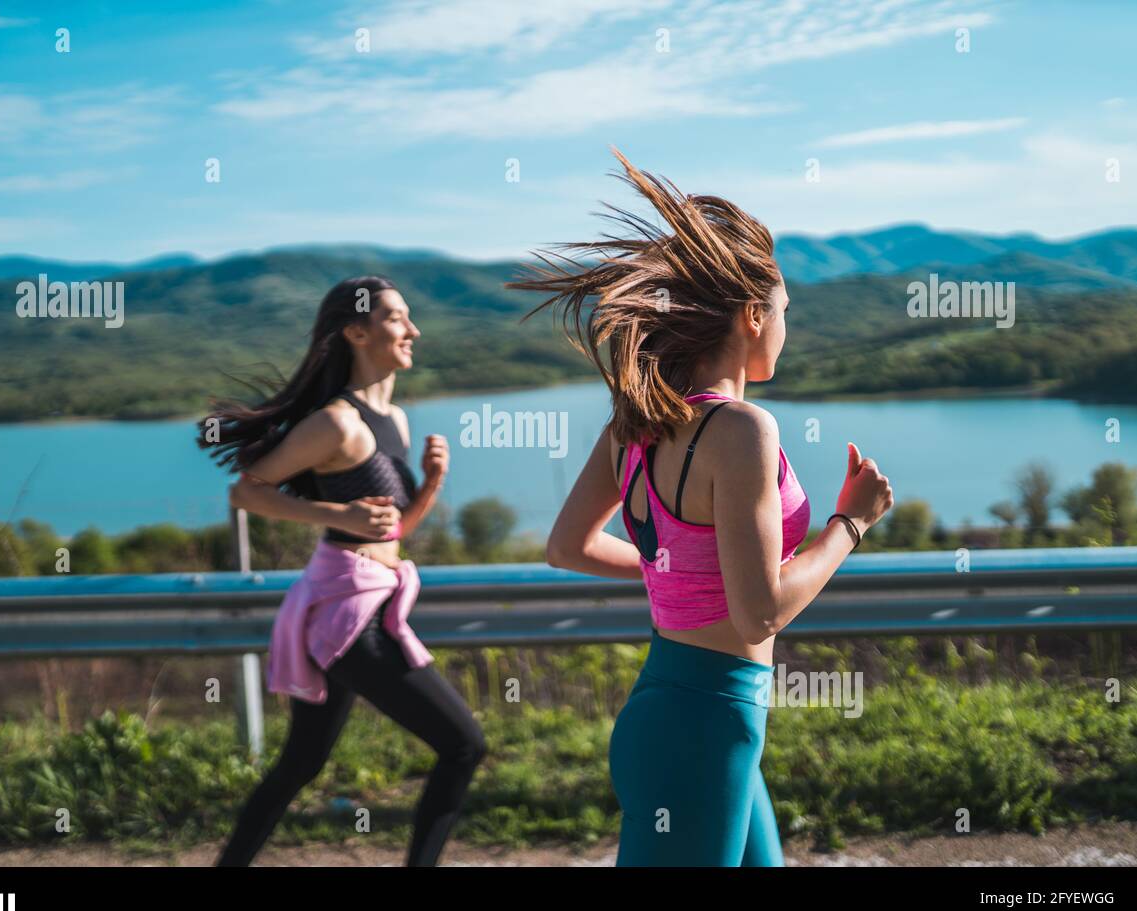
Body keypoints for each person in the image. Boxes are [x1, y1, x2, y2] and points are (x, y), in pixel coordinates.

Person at [508, 149, 894, 866]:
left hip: (678, 709)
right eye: (785, 310)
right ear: (752, 316)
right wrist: (851, 524)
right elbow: (762, 613)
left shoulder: (633, 425)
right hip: (707, 726)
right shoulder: (742, 430)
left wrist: (683, 571)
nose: (788, 324)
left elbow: (568, 547)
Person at [198, 276, 486, 867]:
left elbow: (393, 528)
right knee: (463, 744)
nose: (414, 330)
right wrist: (335, 512)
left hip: (375, 602)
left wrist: (429, 486)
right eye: (398, 318)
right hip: (346, 615)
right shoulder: (336, 423)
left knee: (300, 764)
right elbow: (247, 492)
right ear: (357, 331)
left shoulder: (396, 422)